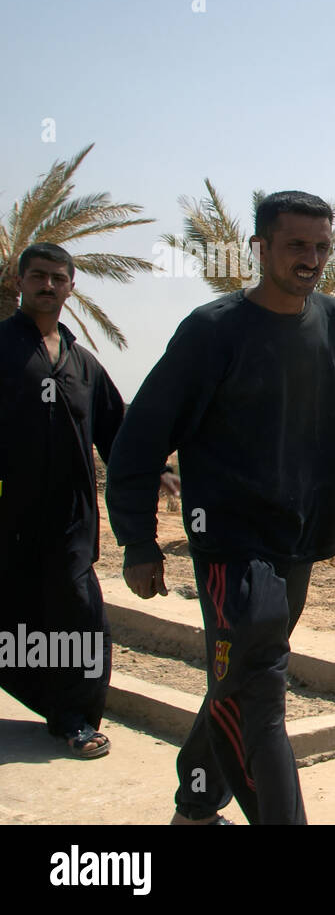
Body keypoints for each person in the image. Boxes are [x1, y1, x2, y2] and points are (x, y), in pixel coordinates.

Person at [106, 191, 335, 825]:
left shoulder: (330, 318)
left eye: (321, 247)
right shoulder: (213, 330)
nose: (311, 259)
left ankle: (196, 808)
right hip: (231, 547)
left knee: (243, 677)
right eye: (296, 245)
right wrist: (139, 541)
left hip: (300, 540)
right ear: (259, 248)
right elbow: (140, 440)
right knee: (260, 697)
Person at [0, 243, 175, 757]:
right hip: (8, 514)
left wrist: (156, 470)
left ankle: (74, 718)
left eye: (58, 278)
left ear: (71, 287)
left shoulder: (83, 364)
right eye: (38, 276)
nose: (47, 285)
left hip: (70, 519)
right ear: (19, 281)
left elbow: (118, 432)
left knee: (78, 614)